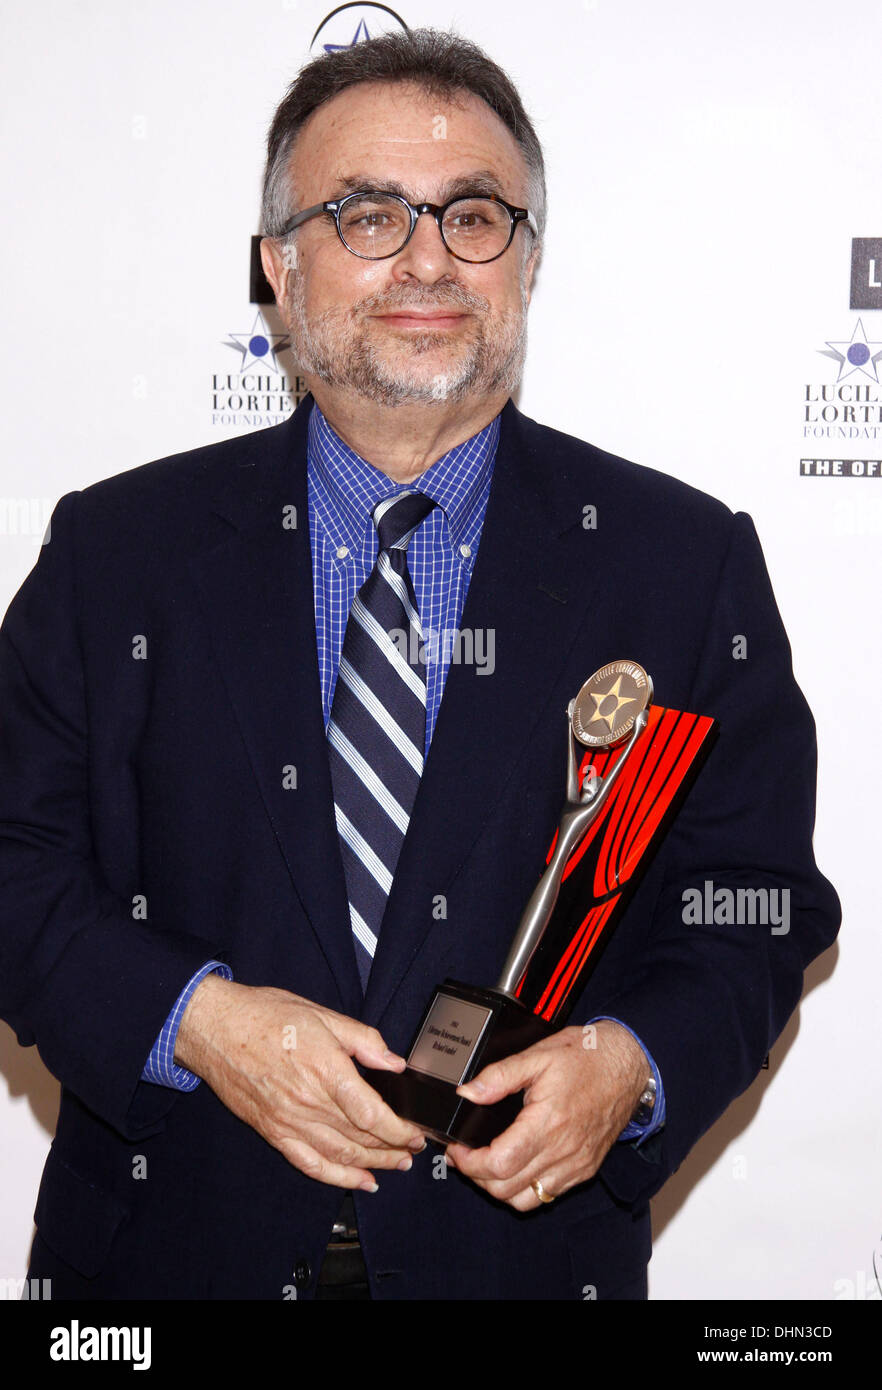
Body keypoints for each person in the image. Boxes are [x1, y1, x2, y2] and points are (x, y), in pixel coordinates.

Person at [0, 28, 839, 1301]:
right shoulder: (118, 553)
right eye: (369, 214)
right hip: (162, 1268)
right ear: (280, 267)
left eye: (475, 215)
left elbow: (759, 902)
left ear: (531, 262)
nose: (430, 257)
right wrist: (197, 1023)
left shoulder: (679, 568)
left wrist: (632, 1061)